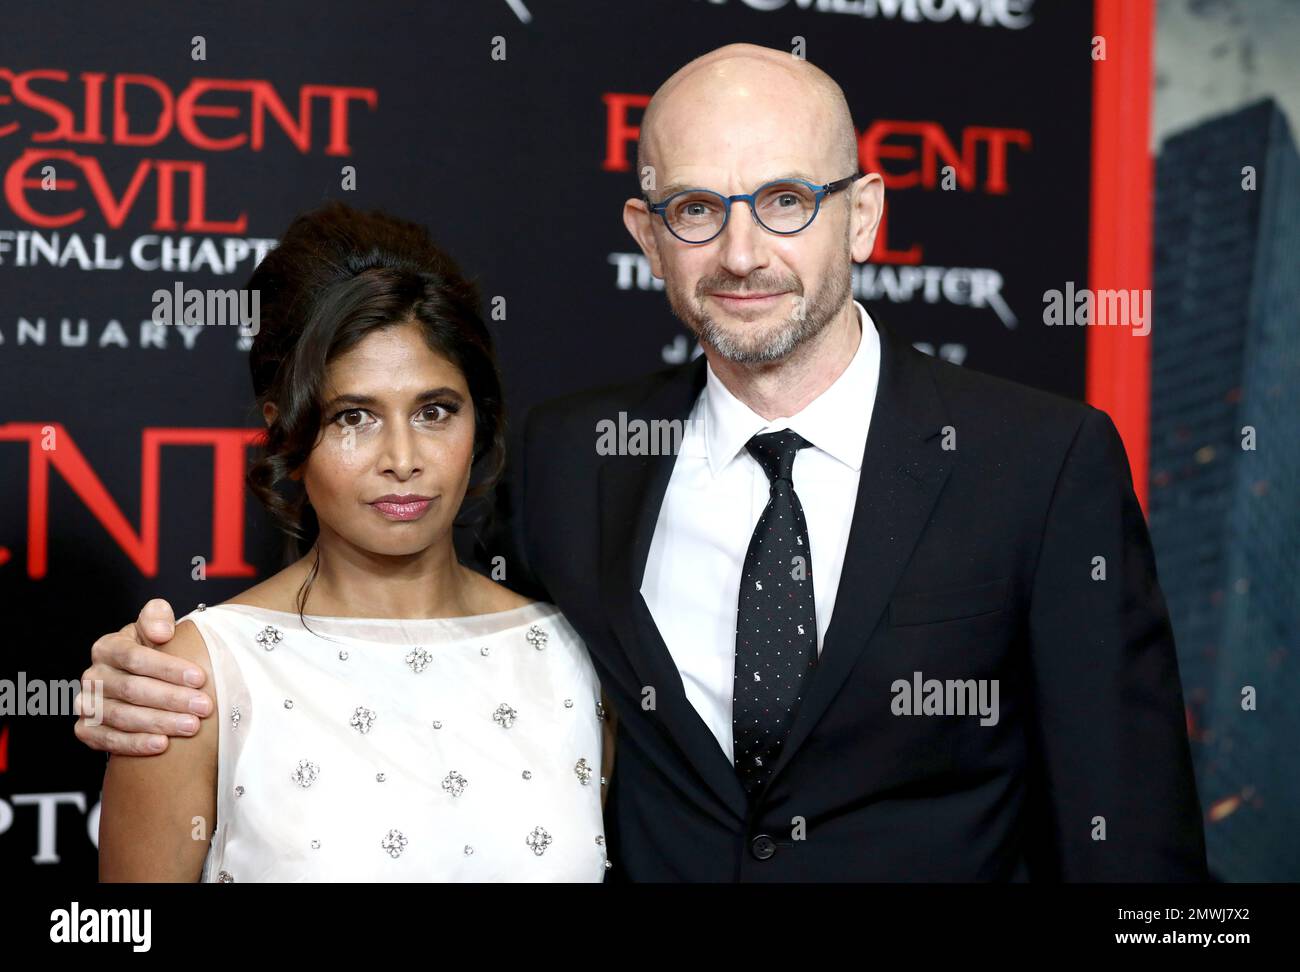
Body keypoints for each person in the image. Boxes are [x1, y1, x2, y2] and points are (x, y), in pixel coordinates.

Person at [78, 44, 1206, 881]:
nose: (744, 251)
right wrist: (146, 675)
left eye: (784, 200)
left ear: (861, 215)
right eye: (696, 209)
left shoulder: (1038, 463)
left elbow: (1135, 845)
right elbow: (377, 615)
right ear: (644, 233)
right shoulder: (578, 461)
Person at [95, 202, 611, 881]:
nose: (402, 456)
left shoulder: (570, 660)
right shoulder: (192, 683)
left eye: (434, 411)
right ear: (286, 433)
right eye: (354, 417)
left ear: (478, 422)